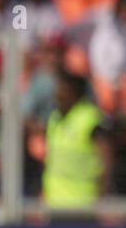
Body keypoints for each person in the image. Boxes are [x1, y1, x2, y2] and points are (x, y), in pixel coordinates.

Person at [43, 70, 109, 209]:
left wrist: (103, 194)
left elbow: (107, 158)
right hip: (55, 203)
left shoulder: (89, 118)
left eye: (62, 89)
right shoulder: (55, 118)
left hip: (84, 203)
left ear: (74, 92)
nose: (57, 94)